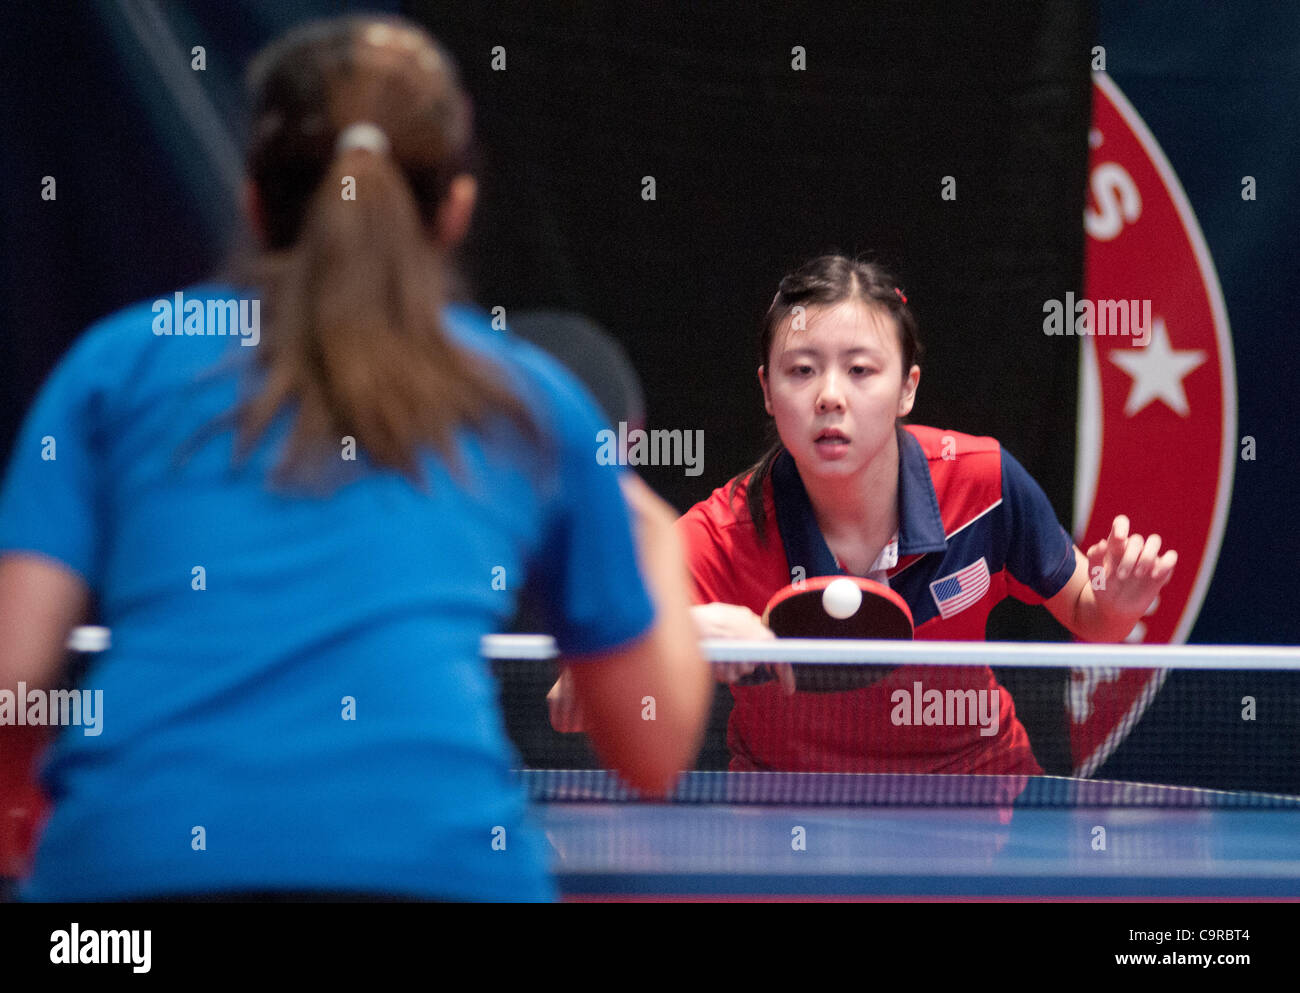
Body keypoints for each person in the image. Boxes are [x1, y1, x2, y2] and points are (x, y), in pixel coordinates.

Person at [0, 14, 710, 902]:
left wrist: (27, 820)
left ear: (255, 198)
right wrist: (652, 532)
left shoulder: (116, 366)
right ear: (456, 208)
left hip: (124, 885)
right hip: (440, 871)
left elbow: (9, 677)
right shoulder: (529, 403)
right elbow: (652, 749)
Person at [679, 254, 1177, 774]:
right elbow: (596, 670)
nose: (830, 396)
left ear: (907, 388)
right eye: (802, 370)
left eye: (860, 370)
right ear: (766, 390)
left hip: (978, 798)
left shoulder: (983, 484)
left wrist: (1118, 604)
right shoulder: (723, 535)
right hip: (789, 811)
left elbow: (1087, 613)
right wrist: (682, 629)